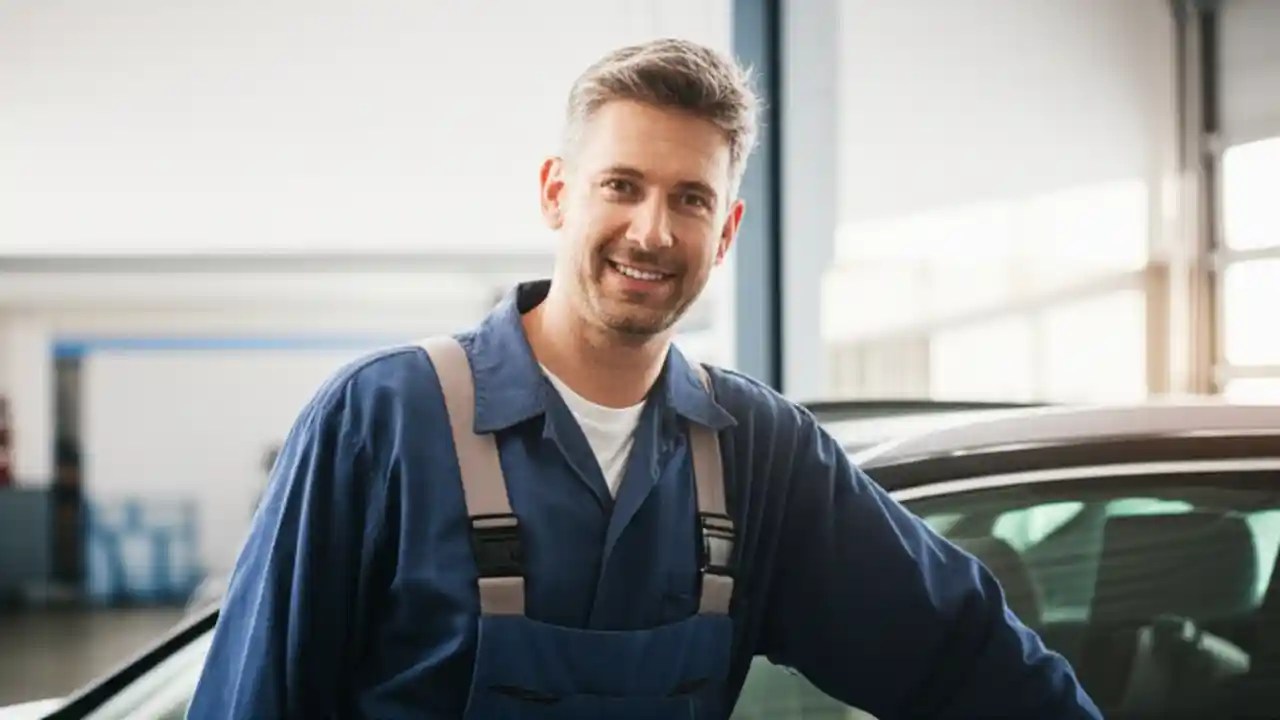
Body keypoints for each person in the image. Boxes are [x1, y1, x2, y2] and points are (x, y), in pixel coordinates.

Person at [187, 38, 1102, 719]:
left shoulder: (759, 453)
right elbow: (255, 696)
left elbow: (959, 651)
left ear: (729, 227)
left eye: (690, 198)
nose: (653, 232)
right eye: (621, 185)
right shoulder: (382, 418)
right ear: (557, 191)